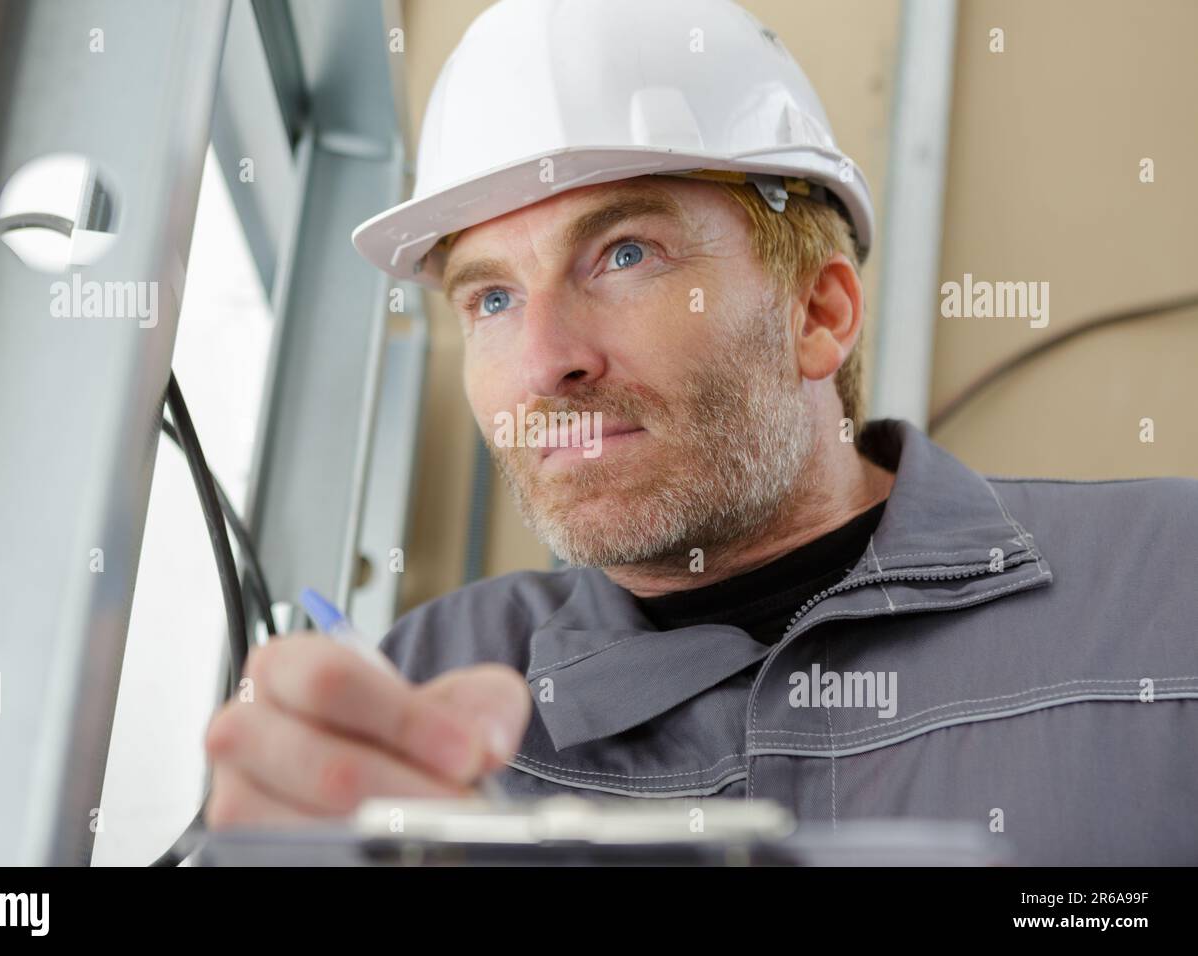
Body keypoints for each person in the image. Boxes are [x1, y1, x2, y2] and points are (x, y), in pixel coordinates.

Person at [202, 0, 1198, 864]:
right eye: (491, 298)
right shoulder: (424, 674)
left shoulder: (1167, 588)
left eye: (625, 253)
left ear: (818, 314)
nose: (545, 362)